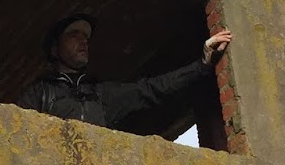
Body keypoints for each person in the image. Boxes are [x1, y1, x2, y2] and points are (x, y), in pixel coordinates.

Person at [16, 12, 233, 132]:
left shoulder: (101, 94)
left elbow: (153, 89)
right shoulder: (39, 94)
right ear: (55, 49)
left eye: (86, 38)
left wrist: (203, 63)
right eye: (74, 35)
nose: (83, 41)